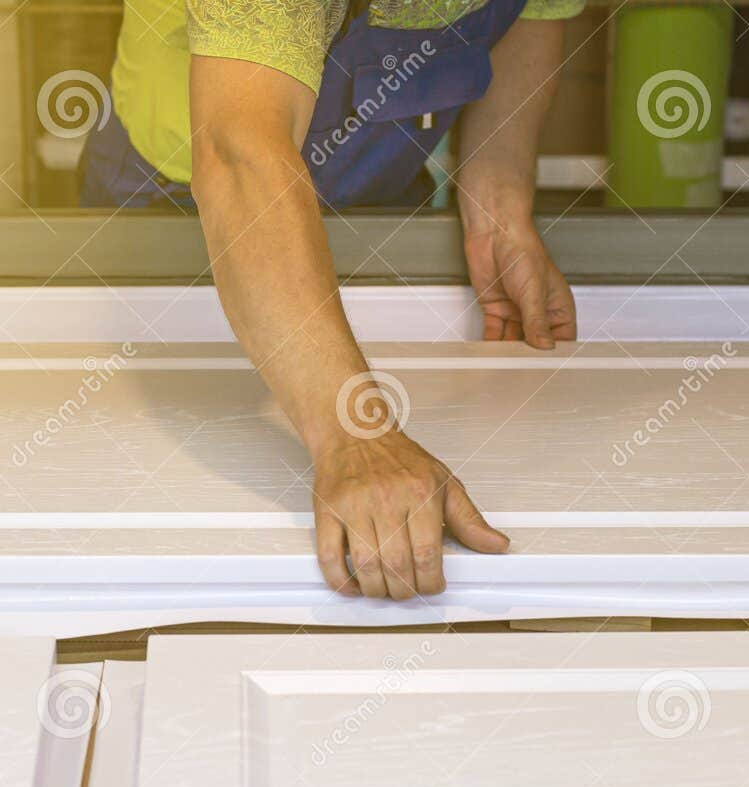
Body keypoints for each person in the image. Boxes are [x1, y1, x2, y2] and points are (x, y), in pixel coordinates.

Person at [81, 0, 582, 601]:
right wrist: (356, 437)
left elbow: (534, 15)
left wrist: (499, 196)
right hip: (181, 191)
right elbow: (239, 155)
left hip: (376, 184)